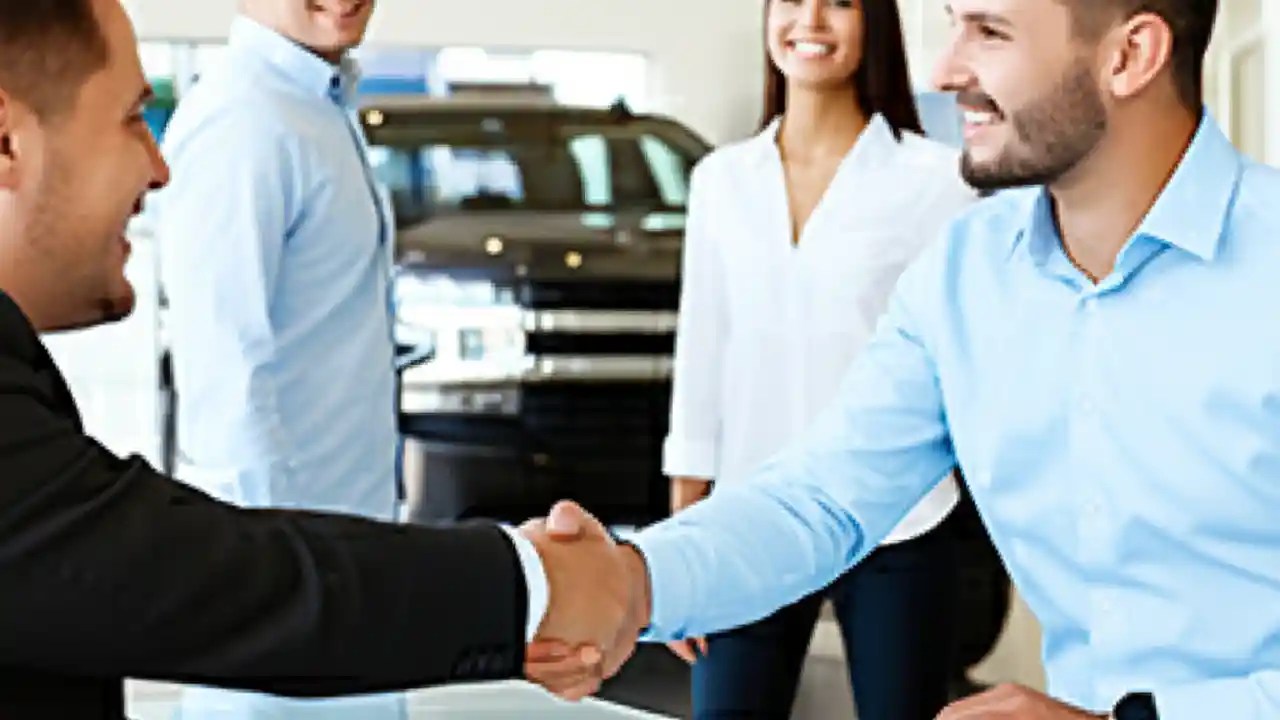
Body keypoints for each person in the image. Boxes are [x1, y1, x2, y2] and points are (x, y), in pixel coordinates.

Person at [528, 0, 1280, 717]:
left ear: (1130, 55)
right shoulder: (966, 272)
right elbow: (824, 496)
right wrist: (634, 580)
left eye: (989, 31)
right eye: (953, 25)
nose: (946, 72)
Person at [0, 0, 637, 716]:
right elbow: (223, 398)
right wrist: (526, 586)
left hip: (330, 588)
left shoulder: (322, 110)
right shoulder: (244, 121)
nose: (159, 169)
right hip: (286, 611)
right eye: (130, 120)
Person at [661, 0, 974, 716]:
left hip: (900, 512)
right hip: (750, 512)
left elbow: (963, 352)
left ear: (877, 26)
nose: (811, 20)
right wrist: (684, 534)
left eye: (839, 2)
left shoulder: (940, 180)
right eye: (791, 1)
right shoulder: (721, 180)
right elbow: (703, 351)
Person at [153, 1, 404, 714]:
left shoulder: (319, 106)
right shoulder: (244, 118)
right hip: (291, 590)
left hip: (347, 563)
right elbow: (224, 377)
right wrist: (277, 585)